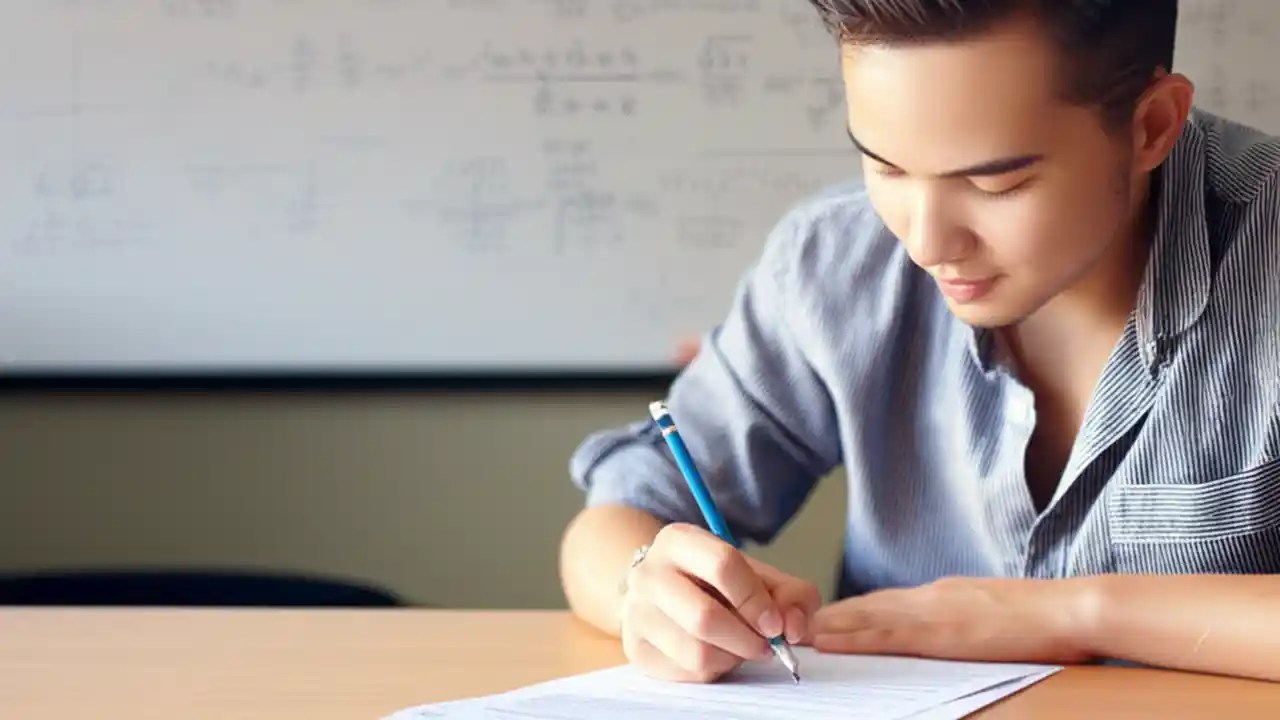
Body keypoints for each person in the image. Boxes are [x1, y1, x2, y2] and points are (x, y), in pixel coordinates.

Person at [560, 0, 1280, 685]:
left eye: (997, 183)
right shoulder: (834, 262)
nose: (926, 243)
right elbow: (623, 508)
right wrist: (645, 590)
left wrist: (1076, 616)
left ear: (1151, 126)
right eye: (886, 167)